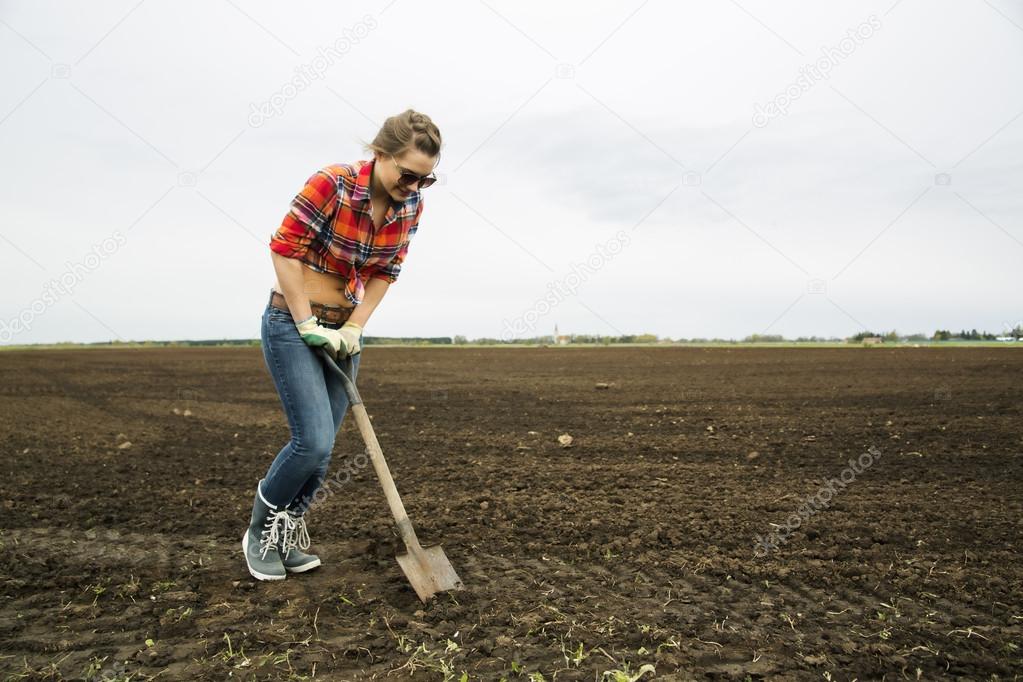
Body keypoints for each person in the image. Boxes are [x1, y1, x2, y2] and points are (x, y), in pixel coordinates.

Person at [242, 109, 442, 581]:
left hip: (341, 330)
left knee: (326, 446)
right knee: (310, 441)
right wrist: (307, 321)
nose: (413, 187)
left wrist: (353, 328)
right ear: (381, 154)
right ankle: (259, 533)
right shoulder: (333, 183)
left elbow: (385, 273)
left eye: (425, 181)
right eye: (408, 175)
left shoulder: (410, 207)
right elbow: (283, 248)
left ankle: (289, 527)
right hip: (293, 324)